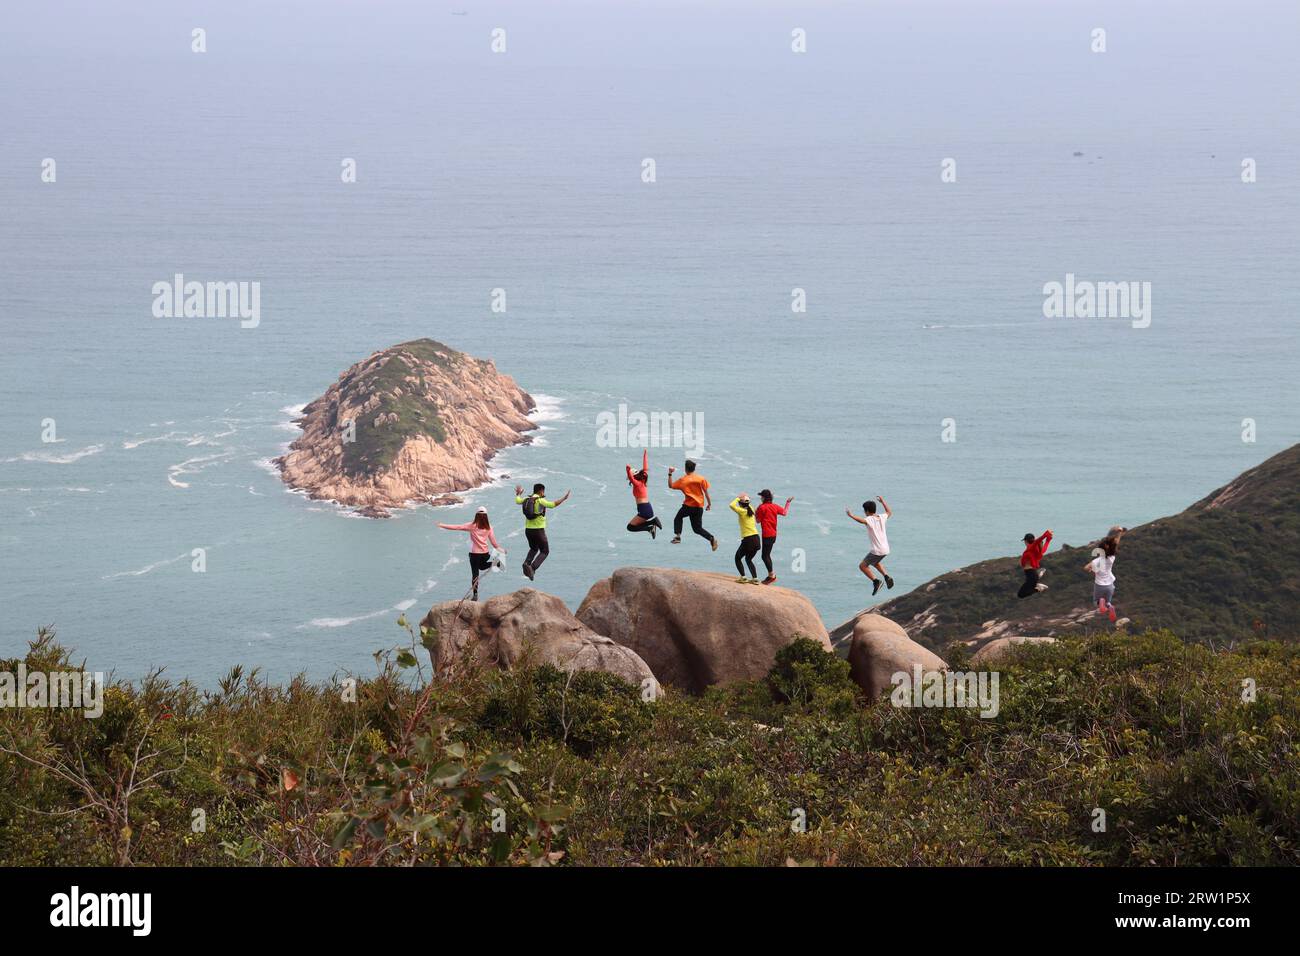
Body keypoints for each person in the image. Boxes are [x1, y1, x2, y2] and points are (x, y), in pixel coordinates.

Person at [437, 506, 505, 601]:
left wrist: (442, 525)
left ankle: (475, 595)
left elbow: (457, 527)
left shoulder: (472, 526)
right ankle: (496, 563)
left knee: (475, 574)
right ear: (486, 516)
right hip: (485, 553)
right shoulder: (489, 527)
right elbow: (494, 543)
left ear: (476, 515)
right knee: (482, 566)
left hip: (474, 554)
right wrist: (501, 550)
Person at [514, 482, 570, 580]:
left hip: (528, 530)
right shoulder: (540, 500)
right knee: (545, 551)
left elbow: (518, 501)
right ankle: (532, 568)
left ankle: (526, 563)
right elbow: (552, 504)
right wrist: (564, 499)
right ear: (541, 491)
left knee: (534, 548)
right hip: (538, 531)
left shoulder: (526, 499)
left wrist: (518, 493)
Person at [846, 496, 893, 595]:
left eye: (864, 510)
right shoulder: (881, 517)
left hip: (877, 550)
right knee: (875, 563)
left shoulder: (869, 519)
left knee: (862, 566)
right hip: (886, 549)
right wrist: (883, 501)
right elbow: (889, 512)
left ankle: (876, 581)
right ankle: (887, 576)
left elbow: (861, 520)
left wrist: (851, 515)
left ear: (866, 511)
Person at [668, 459, 718, 551]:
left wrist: (670, 473)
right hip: (699, 507)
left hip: (688, 506)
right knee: (697, 529)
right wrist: (709, 504)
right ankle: (711, 538)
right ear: (694, 469)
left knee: (678, 518)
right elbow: (706, 492)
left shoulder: (683, 480)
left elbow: (670, 485)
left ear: (686, 469)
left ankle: (678, 536)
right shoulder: (701, 479)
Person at [754, 489, 793, 585]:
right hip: (773, 535)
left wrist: (755, 512)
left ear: (764, 498)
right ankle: (771, 575)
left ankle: (772, 576)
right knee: (767, 555)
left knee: (765, 556)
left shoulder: (762, 507)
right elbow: (784, 512)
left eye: (761, 497)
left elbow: (758, 521)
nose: (760, 498)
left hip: (766, 535)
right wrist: (788, 502)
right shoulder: (774, 506)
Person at [625, 449, 663, 539]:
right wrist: (645, 455)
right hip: (646, 508)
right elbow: (645, 467)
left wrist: (627, 470)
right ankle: (651, 526)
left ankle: (652, 523)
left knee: (630, 527)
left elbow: (631, 478)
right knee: (631, 526)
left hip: (644, 510)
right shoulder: (643, 481)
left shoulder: (637, 484)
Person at [1084, 535, 1119, 623]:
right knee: (1108, 602)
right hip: (1110, 586)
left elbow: (1085, 568)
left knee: (1096, 602)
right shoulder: (1112, 558)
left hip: (1100, 585)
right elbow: (1114, 544)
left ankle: (1101, 601)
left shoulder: (1097, 561)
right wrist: (1120, 533)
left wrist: (1090, 569)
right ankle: (1109, 606)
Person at [730, 494, 761, 584]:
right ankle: (755, 579)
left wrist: (738, 498)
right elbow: (748, 503)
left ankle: (743, 578)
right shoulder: (751, 509)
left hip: (748, 539)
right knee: (748, 559)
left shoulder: (742, 511)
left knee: (737, 558)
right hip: (756, 539)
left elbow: (731, 505)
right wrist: (745, 498)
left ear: (740, 504)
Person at [1018, 529, 1053, 598]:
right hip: (1031, 574)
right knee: (1022, 593)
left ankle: (1039, 587)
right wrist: (1048, 540)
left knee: (1021, 594)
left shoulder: (1031, 547)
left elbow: (1038, 541)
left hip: (1031, 574)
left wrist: (1046, 534)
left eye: (1025, 541)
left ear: (1026, 541)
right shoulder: (1035, 551)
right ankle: (1039, 576)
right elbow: (1044, 547)